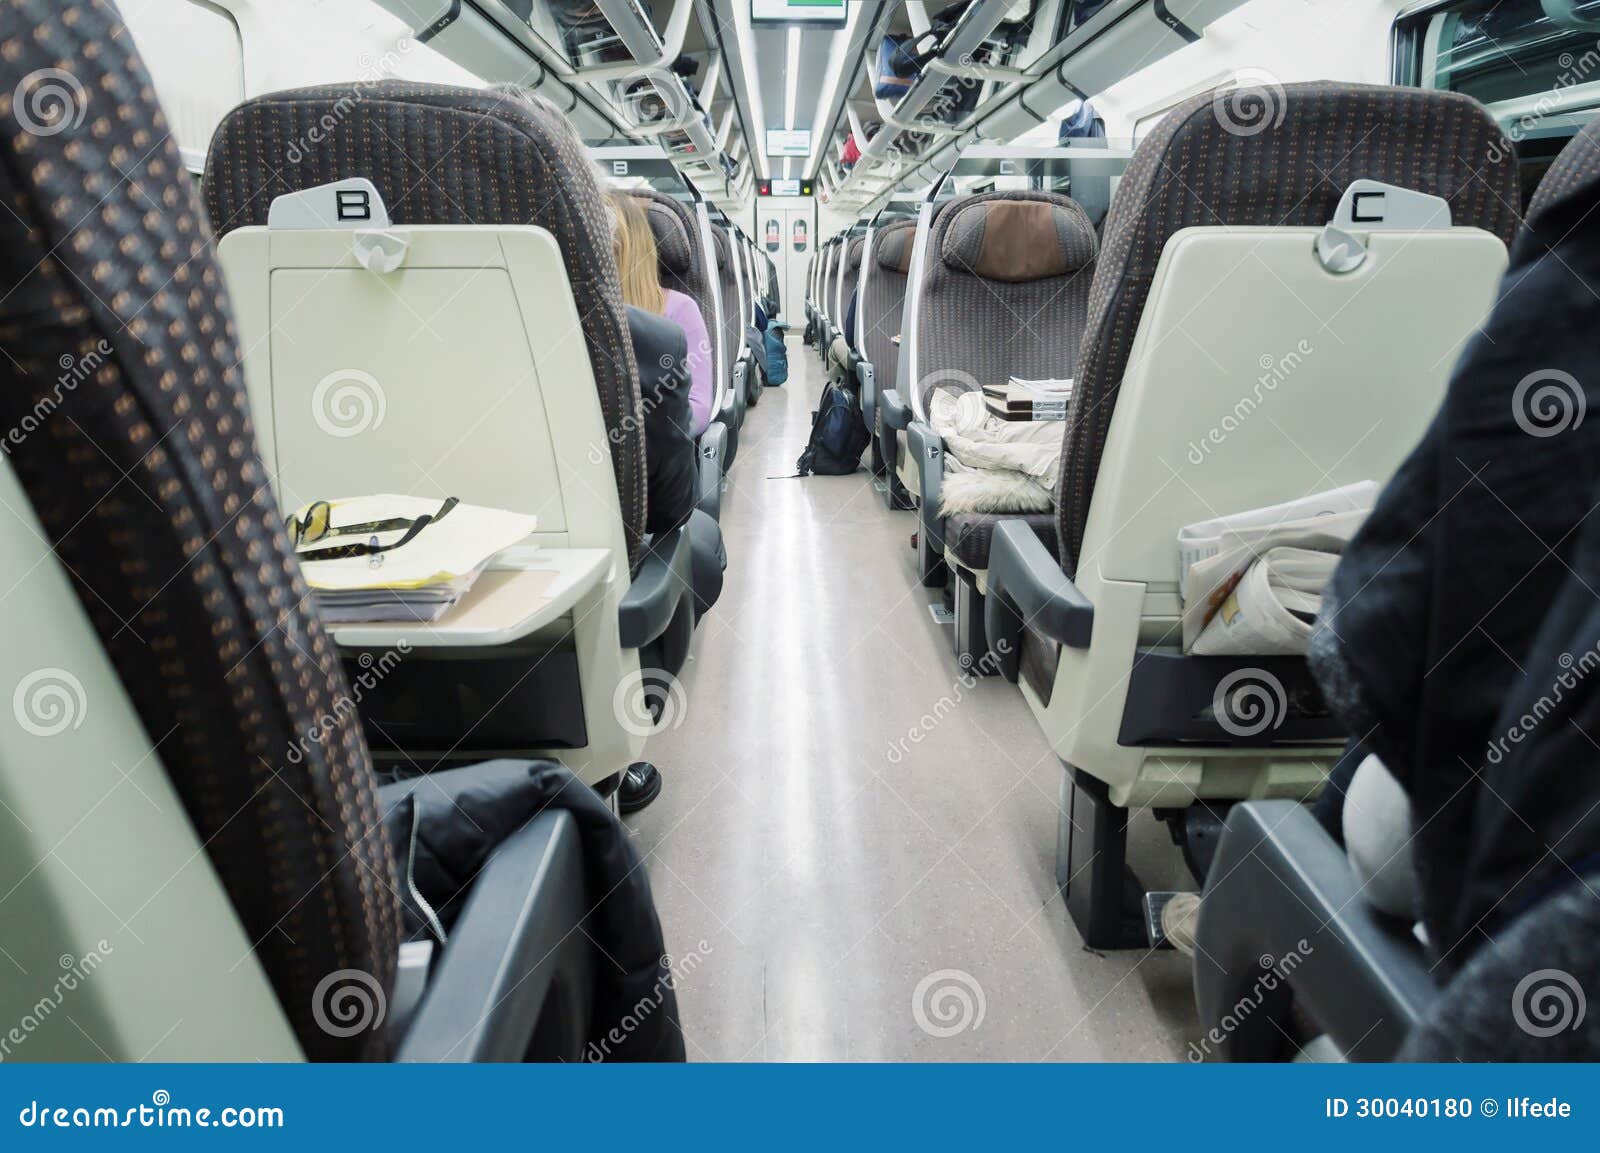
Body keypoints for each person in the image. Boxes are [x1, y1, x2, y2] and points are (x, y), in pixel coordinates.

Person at [611, 190, 716, 436]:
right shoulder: (577, 307)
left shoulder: (679, 309)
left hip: (655, 451)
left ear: (625, 250)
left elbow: (698, 408)